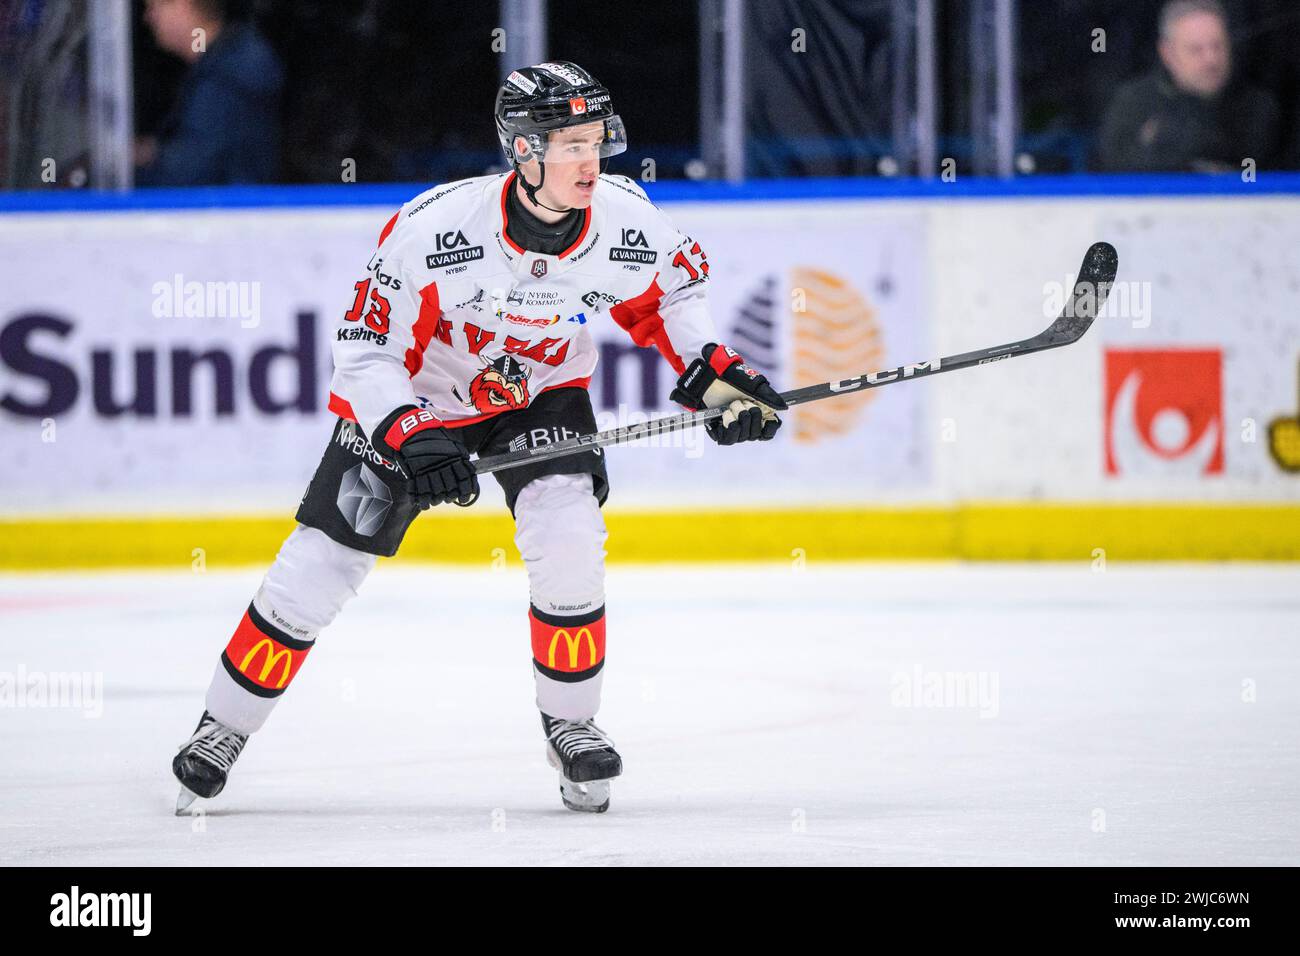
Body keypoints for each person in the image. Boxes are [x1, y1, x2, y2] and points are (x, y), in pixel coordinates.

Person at [170, 62, 785, 814]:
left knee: (567, 533)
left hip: (540, 394)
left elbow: (674, 297)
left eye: (595, 140)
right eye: (568, 144)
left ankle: (573, 726)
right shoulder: (435, 229)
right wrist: (410, 432)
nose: (589, 160)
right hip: (419, 399)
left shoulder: (628, 221)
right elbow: (366, 352)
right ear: (523, 152)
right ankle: (221, 728)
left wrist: (719, 378)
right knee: (324, 560)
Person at [1096, 0, 1279, 173]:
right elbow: (1112, 180)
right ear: (1167, 53)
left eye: (1218, 46)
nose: (1211, 60)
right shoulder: (1133, 106)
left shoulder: (1258, 107)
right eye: (1196, 49)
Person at [136, 0, 283, 185]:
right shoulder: (216, 61)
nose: (148, 17)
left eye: (154, 7)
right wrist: (154, 152)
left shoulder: (227, 74)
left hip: (227, 209)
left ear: (182, 6)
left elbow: (191, 169)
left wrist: (130, 173)